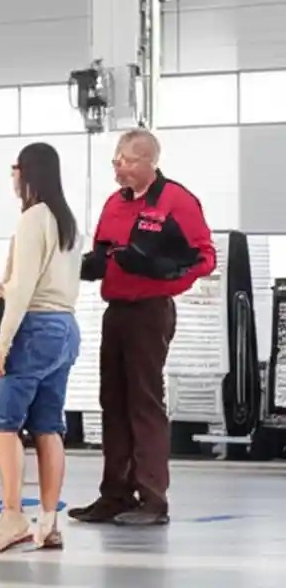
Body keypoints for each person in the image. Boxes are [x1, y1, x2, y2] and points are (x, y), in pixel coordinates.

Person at [70, 128, 215, 527]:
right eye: (116, 158)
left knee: (144, 402)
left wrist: (162, 272)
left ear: (150, 161)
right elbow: (102, 253)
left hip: (150, 312)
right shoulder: (113, 204)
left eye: (128, 159)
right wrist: (85, 266)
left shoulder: (177, 202)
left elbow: (204, 258)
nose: (119, 165)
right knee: (112, 402)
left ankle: (153, 499)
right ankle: (114, 494)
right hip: (115, 310)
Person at [0, 142, 83, 554]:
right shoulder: (67, 220)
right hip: (65, 328)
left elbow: (24, 291)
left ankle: (11, 517)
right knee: (48, 426)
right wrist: (7, 285)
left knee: (2, 423)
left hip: (35, 330)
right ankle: (49, 523)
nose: (12, 177)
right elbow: (42, 278)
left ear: (27, 172)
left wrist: (1, 344)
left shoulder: (33, 217)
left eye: (14, 169)